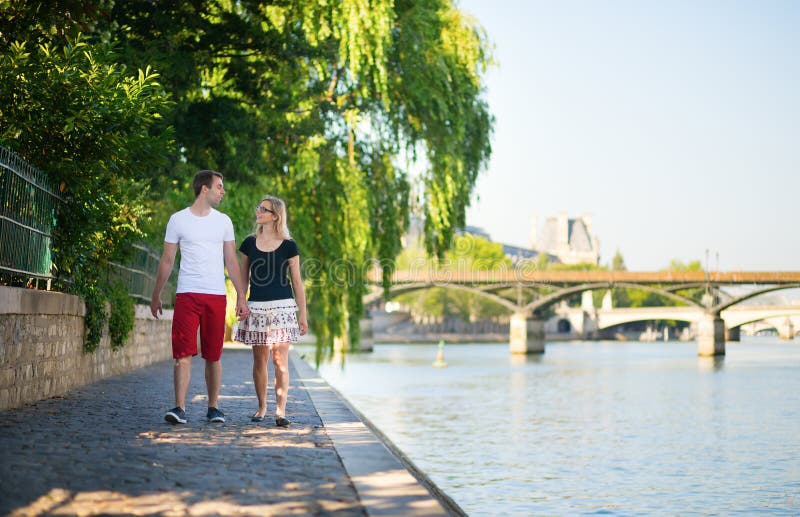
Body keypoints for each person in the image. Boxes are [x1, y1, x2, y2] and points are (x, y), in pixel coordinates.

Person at [150, 170, 249, 425]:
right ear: (204, 189)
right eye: (219, 186)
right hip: (187, 294)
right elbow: (167, 260)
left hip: (215, 296)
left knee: (213, 356)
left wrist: (241, 296)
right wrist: (156, 294)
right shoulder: (178, 220)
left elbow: (231, 261)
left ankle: (213, 407)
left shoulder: (224, 221)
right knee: (182, 353)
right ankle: (180, 408)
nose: (222, 191)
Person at [234, 195, 308, 427]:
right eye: (259, 207)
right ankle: (262, 406)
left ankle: (280, 410)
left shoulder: (289, 245)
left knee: (280, 360)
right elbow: (243, 278)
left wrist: (302, 314)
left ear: (275, 216)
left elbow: (297, 282)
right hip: (256, 307)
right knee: (260, 361)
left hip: (283, 308)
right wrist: (240, 301)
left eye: (263, 209)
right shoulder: (248, 243)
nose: (258, 211)